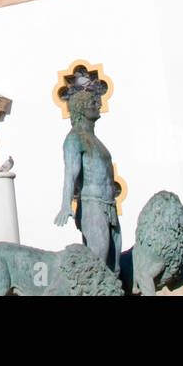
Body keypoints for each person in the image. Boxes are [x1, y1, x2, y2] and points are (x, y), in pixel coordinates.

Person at [54, 90, 121, 273]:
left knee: (114, 266)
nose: (98, 105)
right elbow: (70, 174)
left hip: (109, 206)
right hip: (93, 206)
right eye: (93, 102)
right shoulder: (74, 139)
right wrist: (66, 204)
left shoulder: (94, 139)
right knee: (98, 263)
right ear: (82, 109)